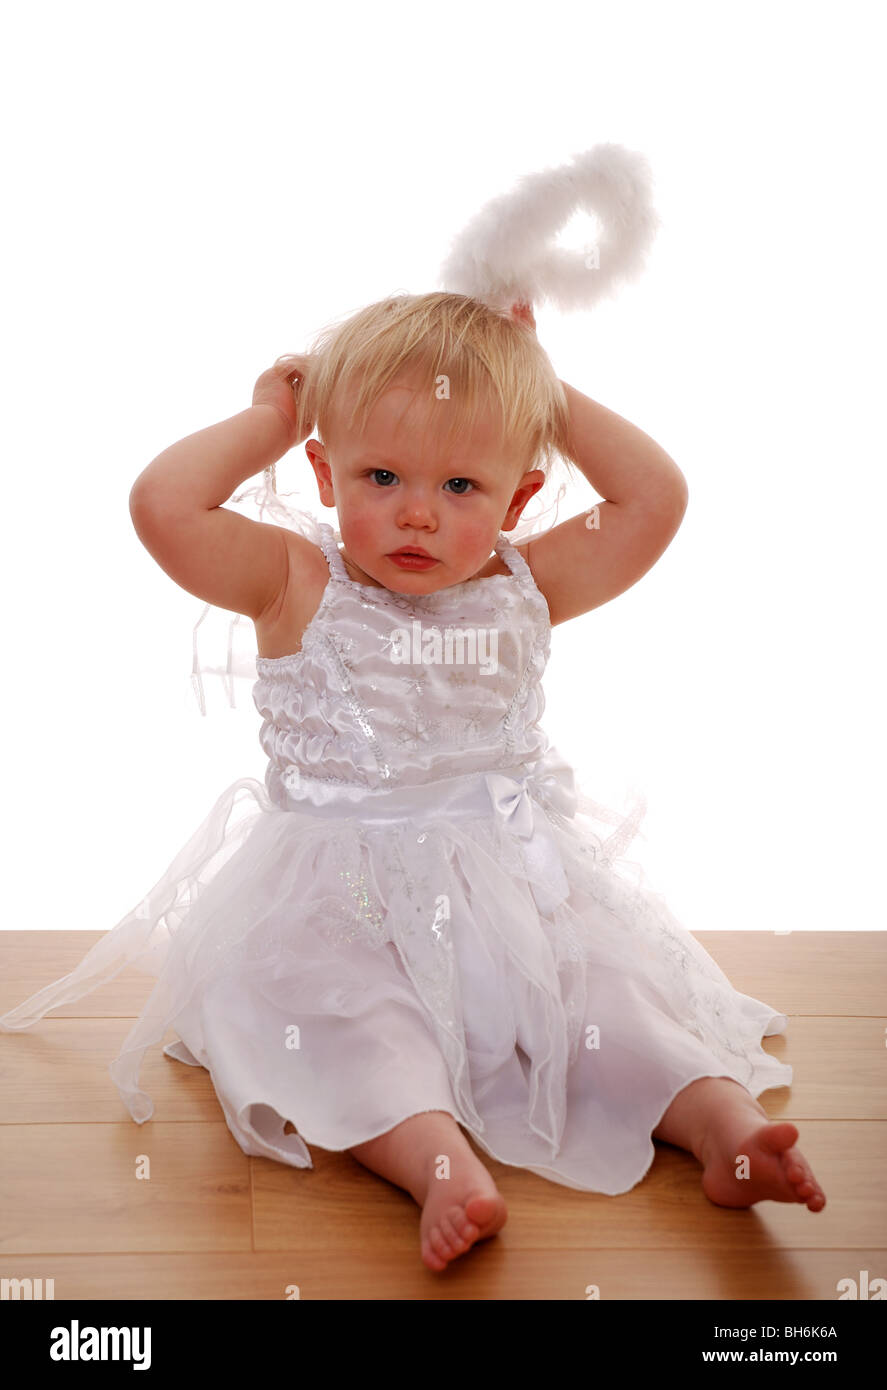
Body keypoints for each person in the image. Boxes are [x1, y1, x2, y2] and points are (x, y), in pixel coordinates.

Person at [0, 291, 825, 1273]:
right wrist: (270, 419)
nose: (417, 512)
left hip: (511, 898)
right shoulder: (295, 581)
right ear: (323, 468)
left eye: (462, 486)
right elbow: (162, 505)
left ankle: (720, 1126)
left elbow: (655, 498)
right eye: (380, 475)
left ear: (518, 498)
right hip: (336, 907)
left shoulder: (524, 584)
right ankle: (436, 1162)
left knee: (605, 998)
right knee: (353, 1026)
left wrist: (540, 389)